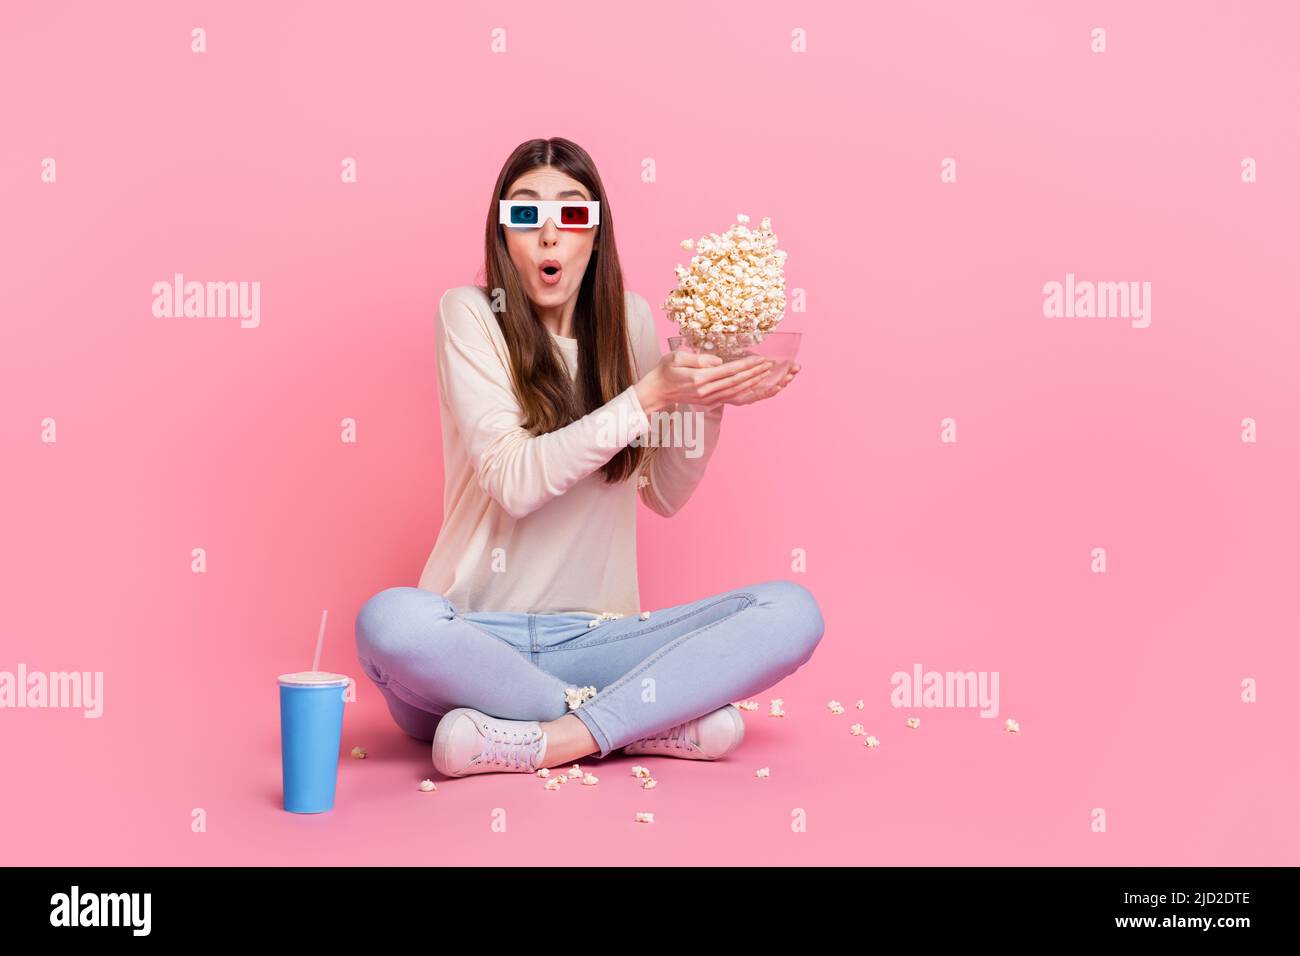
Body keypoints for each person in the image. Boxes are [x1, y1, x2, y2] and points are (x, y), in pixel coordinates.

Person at [355, 137, 824, 778]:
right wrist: (653, 391)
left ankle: (552, 739)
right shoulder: (470, 315)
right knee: (391, 621)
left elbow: (664, 493)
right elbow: (514, 481)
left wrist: (705, 397)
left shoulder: (629, 322)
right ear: (503, 235)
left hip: (601, 639)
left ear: (595, 235)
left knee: (791, 611)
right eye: (525, 214)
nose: (550, 235)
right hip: (470, 643)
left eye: (572, 214)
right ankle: (634, 722)